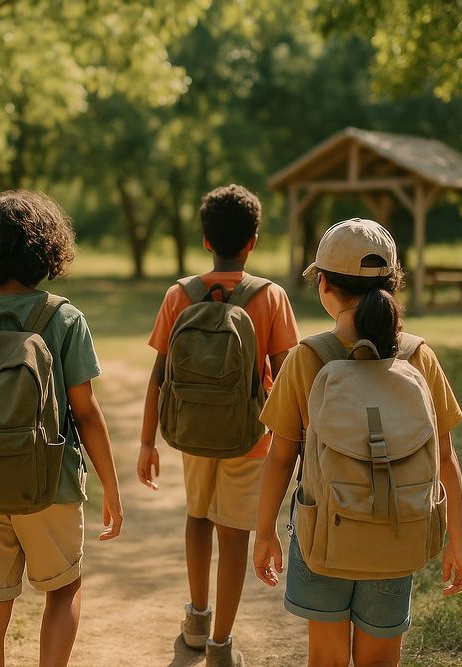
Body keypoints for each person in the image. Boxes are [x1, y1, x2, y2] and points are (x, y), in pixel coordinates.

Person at [253, 218, 462, 667]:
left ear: (325, 284)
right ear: (393, 285)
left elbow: (279, 458)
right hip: (398, 535)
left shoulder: (307, 358)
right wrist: (458, 540)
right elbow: (445, 456)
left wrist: (264, 533)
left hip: (322, 537)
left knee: (327, 659)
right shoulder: (417, 356)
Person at [0, 190, 124, 667]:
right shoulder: (65, 318)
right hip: (49, 484)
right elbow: (87, 413)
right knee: (64, 589)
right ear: (50, 251)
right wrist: (112, 488)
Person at [138, 184, 300, 666]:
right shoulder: (270, 297)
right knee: (234, 536)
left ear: (205, 239)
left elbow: (159, 375)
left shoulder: (179, 295)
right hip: (249, 439)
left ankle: (196, 619)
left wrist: (148, 442)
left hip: (192, 433)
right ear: (253, 240)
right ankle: (221, 645)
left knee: (198, 518)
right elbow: (288, 375)